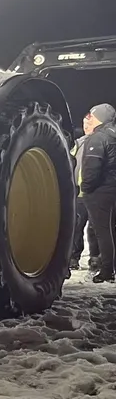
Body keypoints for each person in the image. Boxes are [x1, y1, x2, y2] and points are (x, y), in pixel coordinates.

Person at [81, 103, 116, 283]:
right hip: (112, 189)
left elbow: (92, 169)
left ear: (99, 118)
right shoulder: (113, 135)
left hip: (100, 192)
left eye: (91, 115)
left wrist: (86, 188)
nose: (88, 118)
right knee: (111, 230)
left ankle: (107, 271)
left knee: (102, 232)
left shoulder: (98, 138)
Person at [71, 127, 100, 273]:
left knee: (95, 228)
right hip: (79, 193)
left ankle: (96, 259)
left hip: (97, 194)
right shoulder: (78, 143)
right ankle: (73, 258)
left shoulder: (106, 143)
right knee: (76, 227)